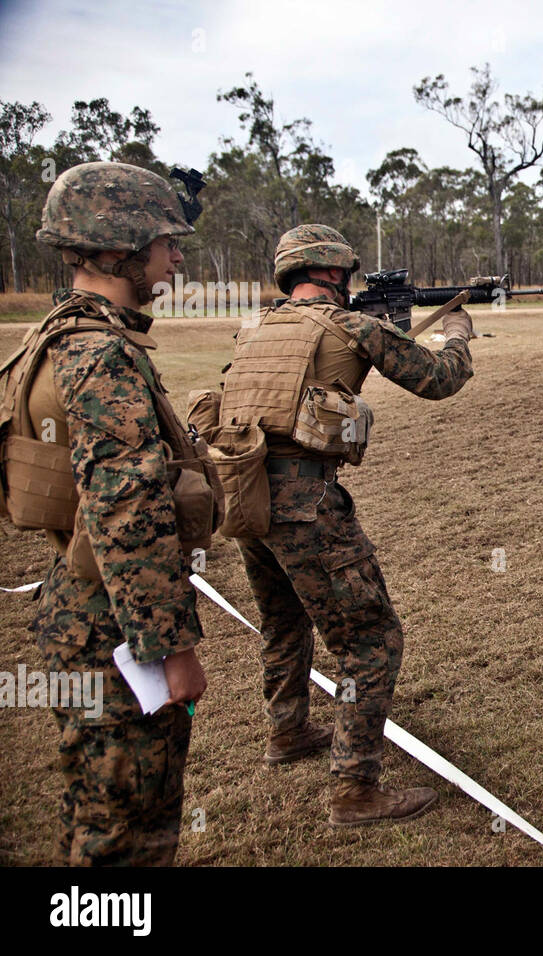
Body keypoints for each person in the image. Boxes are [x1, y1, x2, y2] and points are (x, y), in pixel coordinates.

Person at [218, 224, 473, 826]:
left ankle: (287, 732)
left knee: (283, 620)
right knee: (370, 640)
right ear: (335, 272)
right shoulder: (352, 326)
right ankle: (355, 788)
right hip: (305, 502)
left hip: (244, 494)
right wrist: (458, 330)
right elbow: (439, 379)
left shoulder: (255, 327)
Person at [0, 161, 216, 865]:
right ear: (122, 246)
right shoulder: (100, 356)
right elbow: (127, 514)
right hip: (112, 634)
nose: (176, 256)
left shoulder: (52, 339)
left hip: (80, 608)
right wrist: (170, 650)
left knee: (95, 813)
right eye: (165, 241)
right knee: (129, 833)